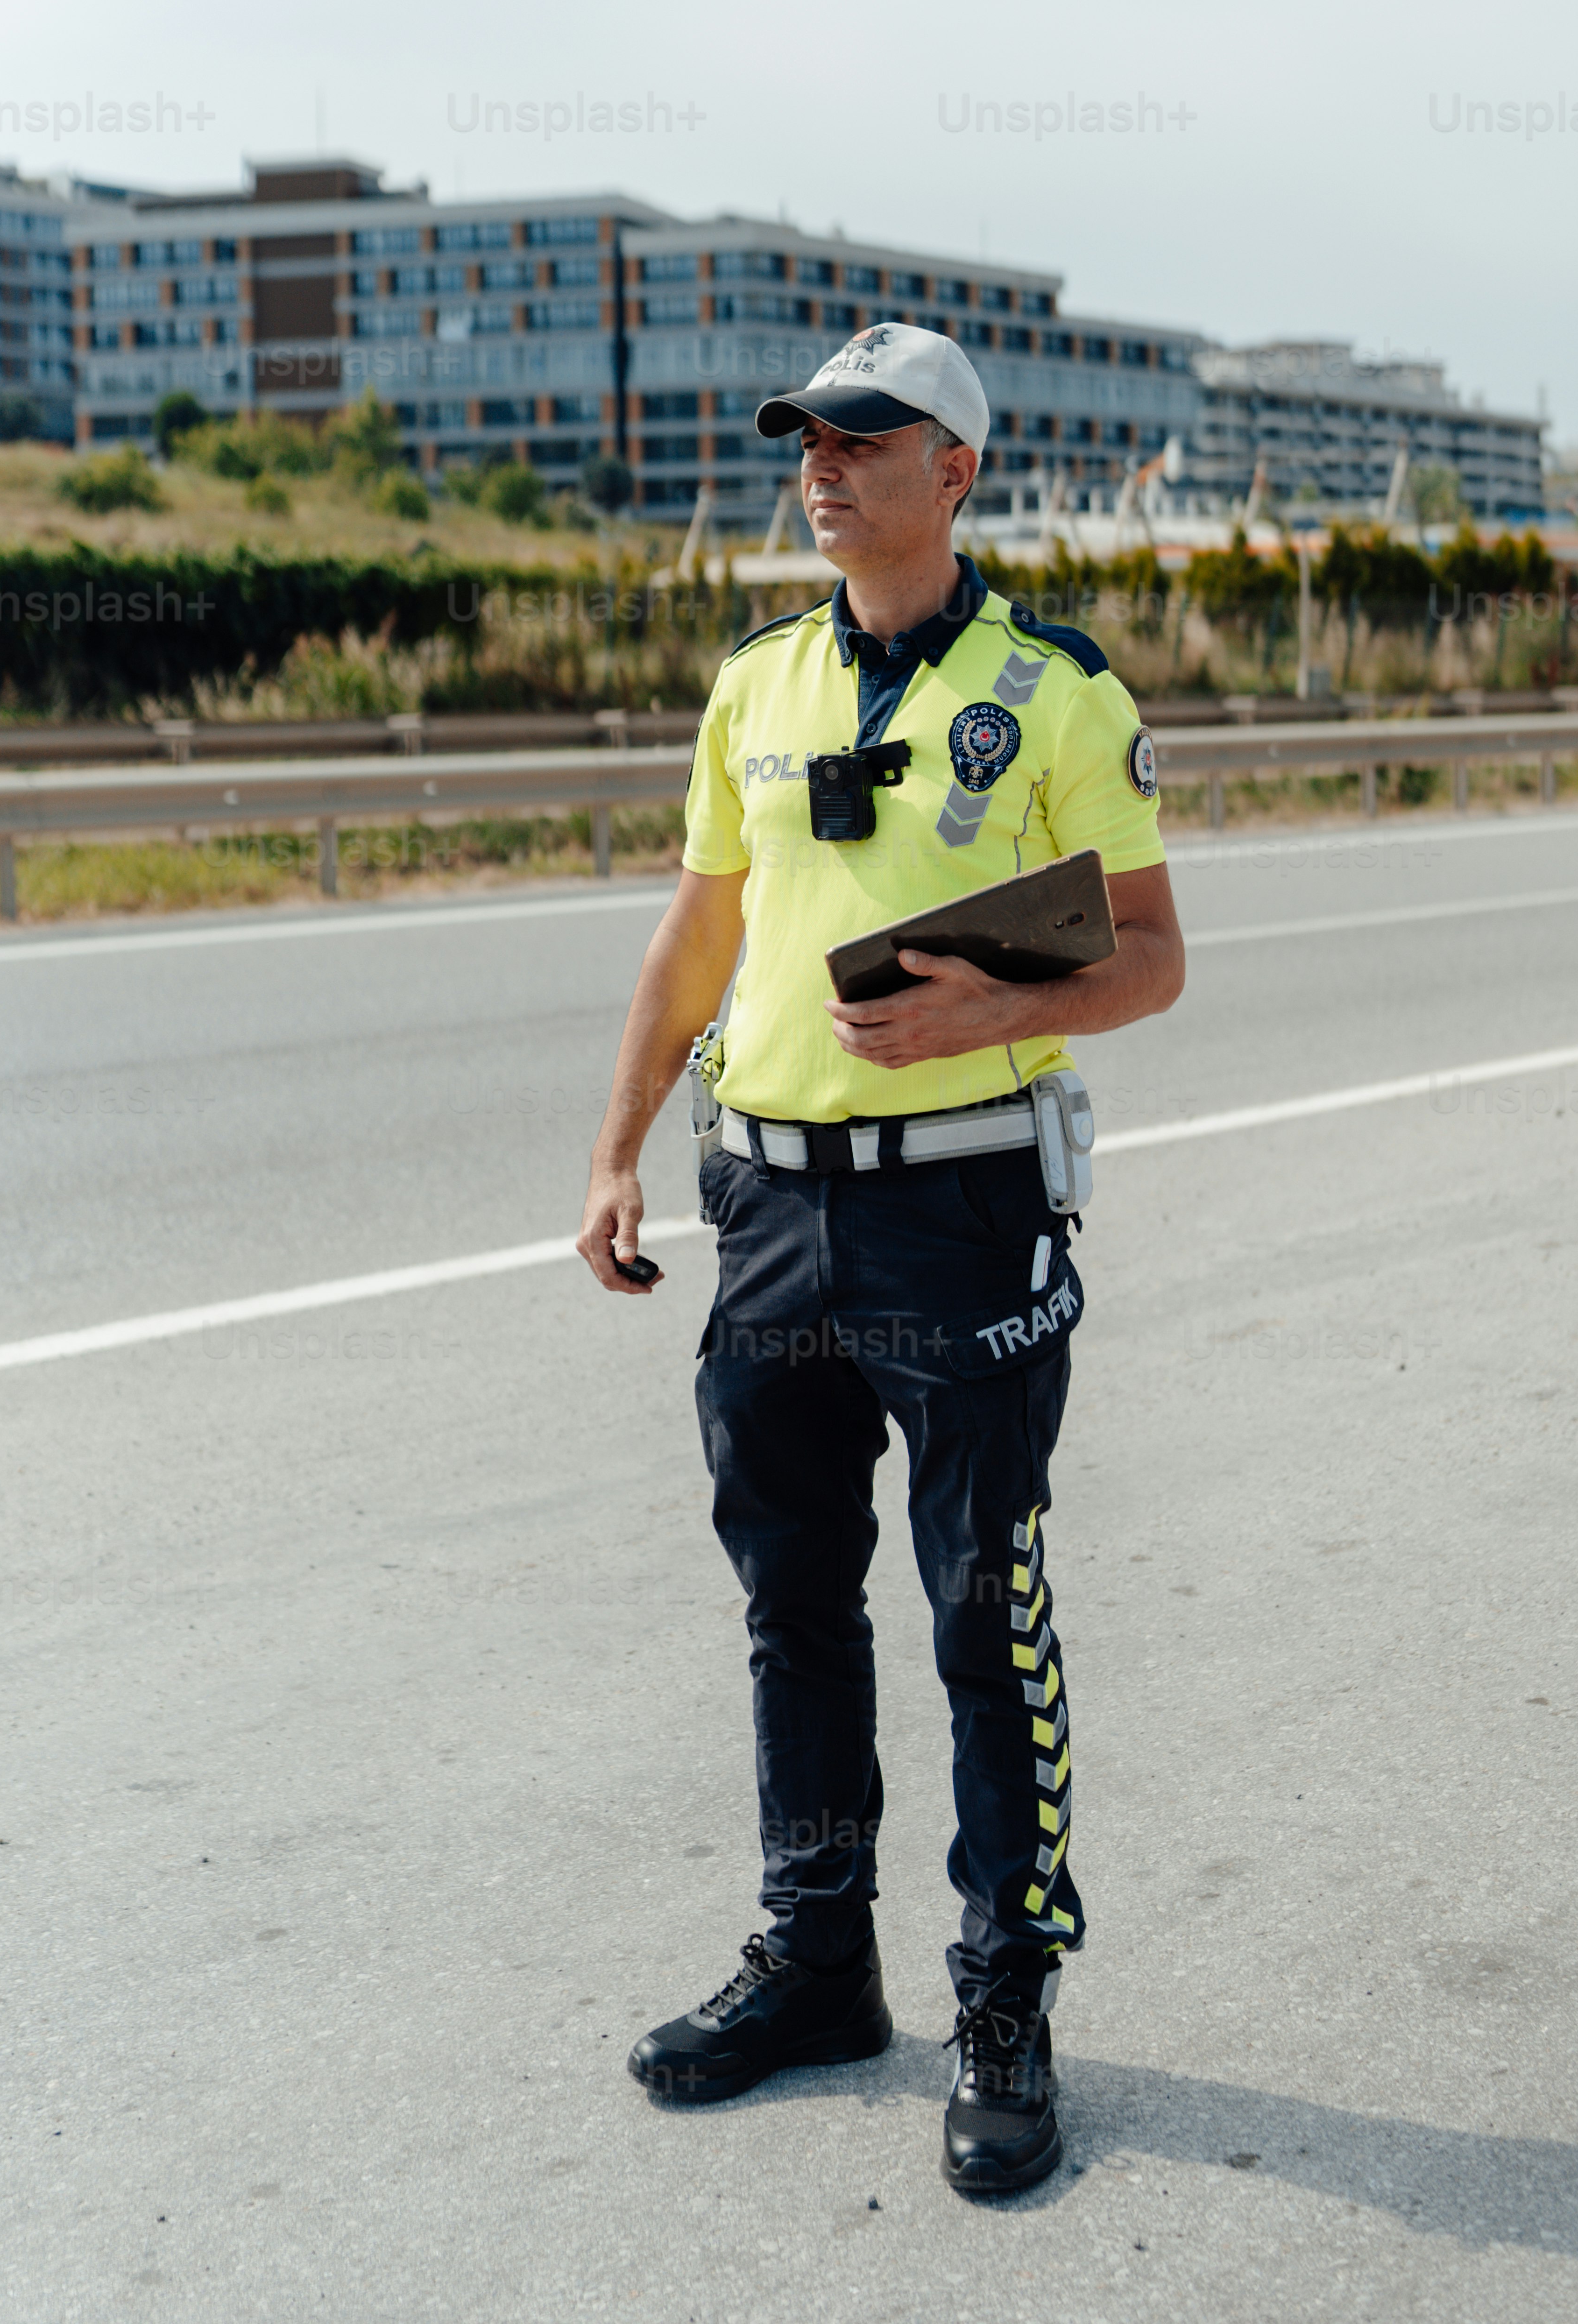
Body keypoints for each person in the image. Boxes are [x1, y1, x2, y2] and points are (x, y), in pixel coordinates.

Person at [578, 318, 1184, 2197]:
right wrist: (613, 1154)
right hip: (764, 1212)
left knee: (978, 1615)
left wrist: (990, 1007)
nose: (823, 469)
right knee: (791, 1607)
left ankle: (1005, 1998)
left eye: (866, 438)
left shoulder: (1054, 690)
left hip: (960, 1205)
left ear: (958, 472)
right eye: (807, 440)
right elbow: (694, 948)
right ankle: (817, 1959)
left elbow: (1149, 958)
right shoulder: (753, 684)